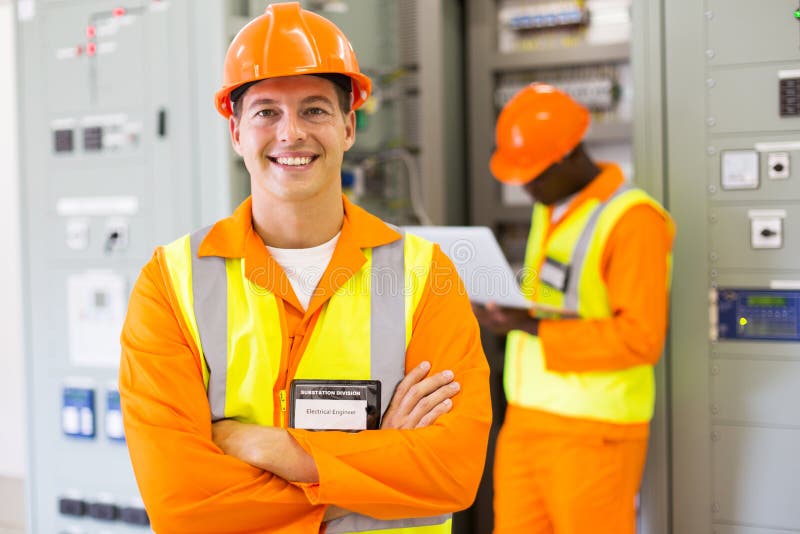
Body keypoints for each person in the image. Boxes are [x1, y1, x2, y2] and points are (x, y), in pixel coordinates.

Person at [118, 3, 491, 533]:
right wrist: (374, 469)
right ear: (236, 132)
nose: (291, 133)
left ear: (348, 126)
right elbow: (180, 504)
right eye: (266, 111)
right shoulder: (171, 281)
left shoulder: (424, 274)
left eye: (314, 110)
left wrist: (278, 450)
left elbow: (451, 473)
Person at [472, 83, 675, 534]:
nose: (527, 187)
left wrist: (528, 326)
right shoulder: (555, 207)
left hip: (592, 433)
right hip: (526, 420)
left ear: (572, 156)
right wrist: (507, 304)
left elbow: (640, 338)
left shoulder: (633, 221)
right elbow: (556, 297)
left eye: (536, 175)